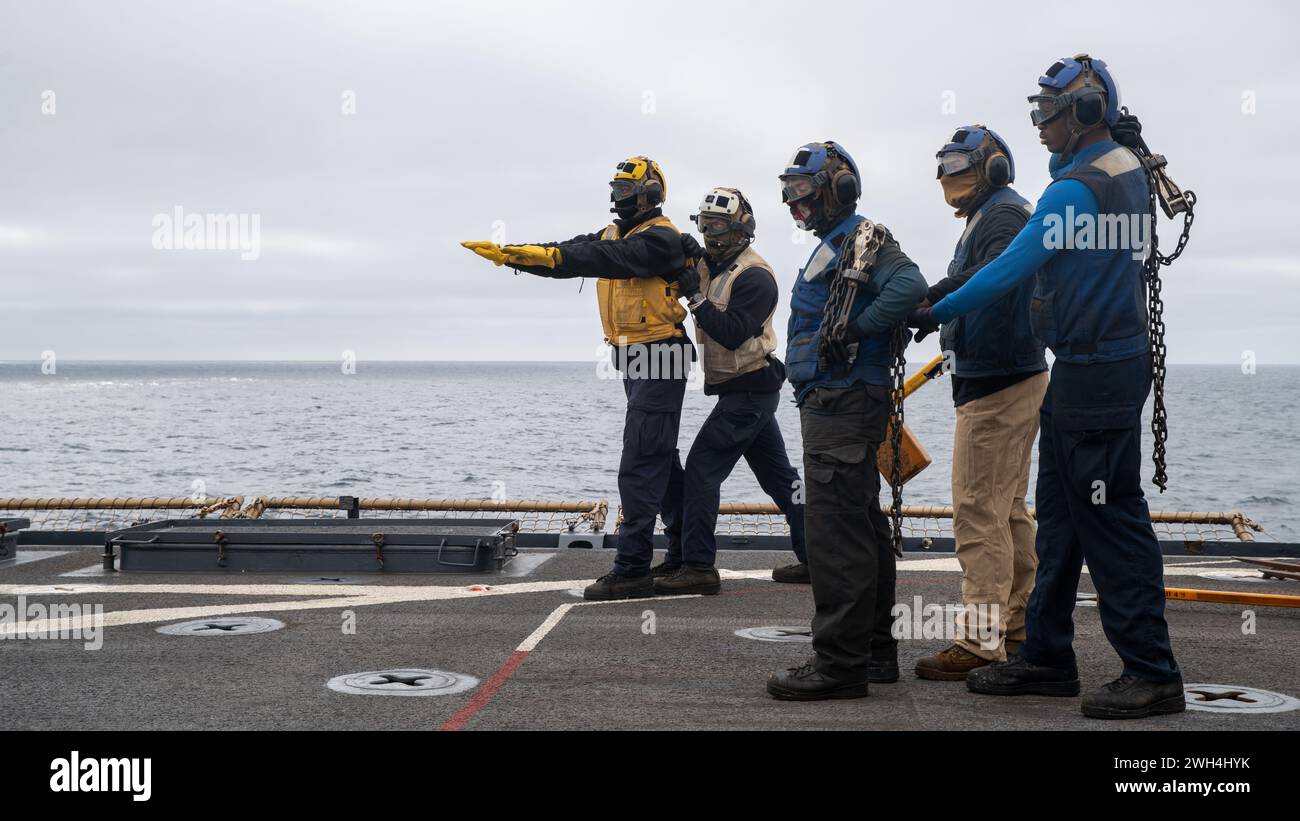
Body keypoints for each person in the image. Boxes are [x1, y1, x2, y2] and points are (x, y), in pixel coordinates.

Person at [912, 55, 1185, 718]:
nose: (1037, 125)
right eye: (1035, 112)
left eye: (1048, 113)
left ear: (1086, 111)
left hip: (1098, 370)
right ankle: (1046, 655)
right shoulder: (1124, 168)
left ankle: (1152, 670)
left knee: (1110, 519)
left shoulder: (1075, 189)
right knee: (1059, 514)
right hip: (1088, 368)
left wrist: (933, 310)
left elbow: (1011, 268)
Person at [462, 156, 692, 602]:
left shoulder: (663, 239)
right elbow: (572, 253)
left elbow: (607, 259)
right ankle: (686, 556)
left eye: (624, 191)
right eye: (615, 190)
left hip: (662, 351)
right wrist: (516, 256)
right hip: (633, 352)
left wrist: (546, 255)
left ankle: (632, 569)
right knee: (661, 458)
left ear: (649, 193)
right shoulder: (613, 234)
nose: (616, 198)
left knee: (642, 460)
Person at [765, 142, 928, 700]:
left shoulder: (862, 239)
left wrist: (855, 332)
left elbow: (909, 287)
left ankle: (838, 665)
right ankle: (873, 653)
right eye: (789, 192)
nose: (795, 203)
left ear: (839, 188)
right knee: (862, 525)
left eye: (804, 191)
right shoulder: (838, 244)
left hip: (841, 401)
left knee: (835, 534)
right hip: (839, 401)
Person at [908, 126, 1049, 681]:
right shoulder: (992, 214)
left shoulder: (1003, 217)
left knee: (975, 510)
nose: (952, 178)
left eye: (962, 167)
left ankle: (980, 640)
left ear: (992, 168)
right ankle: (1015, 627)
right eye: (947, 168)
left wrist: (934, 300)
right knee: (1009, 509)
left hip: (997, 382)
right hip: (1009, 378)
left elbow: (993, 278)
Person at [651, 188, 807, 597]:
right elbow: (683, 251)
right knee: (782, 481)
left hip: (749, 393)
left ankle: (697, 566)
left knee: (702, 470)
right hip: (745, 393)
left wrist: (695, 297)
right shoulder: (709, 262)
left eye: (718, 224)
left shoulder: (755, 276)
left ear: (741, 227)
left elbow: (734, 334)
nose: (710, 233)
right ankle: (818, 559)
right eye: (704, 225)